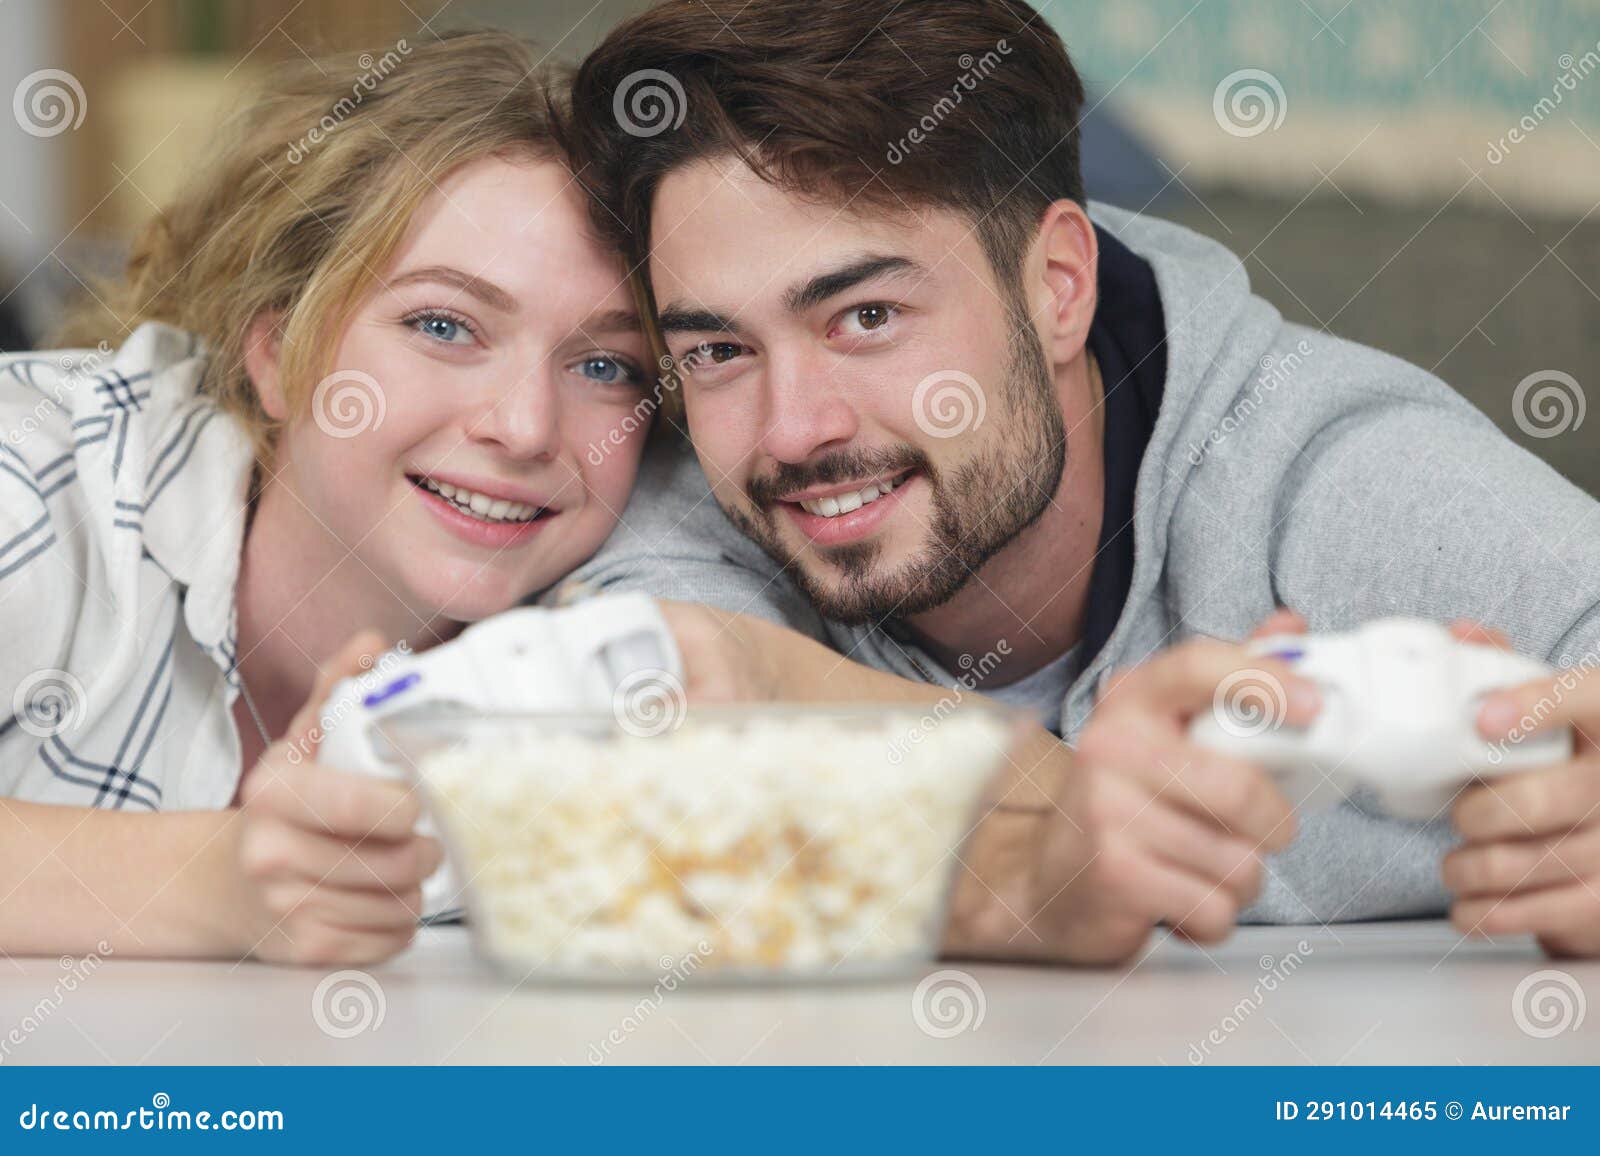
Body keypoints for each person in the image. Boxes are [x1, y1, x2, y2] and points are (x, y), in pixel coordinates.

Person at [557, 0, 1600, 961]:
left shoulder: (1346, 480)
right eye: (718, 351)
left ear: (1058, 287)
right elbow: (637, 802)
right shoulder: (672, 500)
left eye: (866, 317)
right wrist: (1036, 842)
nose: (792, 431)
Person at [0, 30, 1036, 966]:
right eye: (443, 327)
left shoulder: (626, 615)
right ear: (277, 353)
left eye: (606, 368)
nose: (526, 427)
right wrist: (222, 885)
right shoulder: (40, 480)